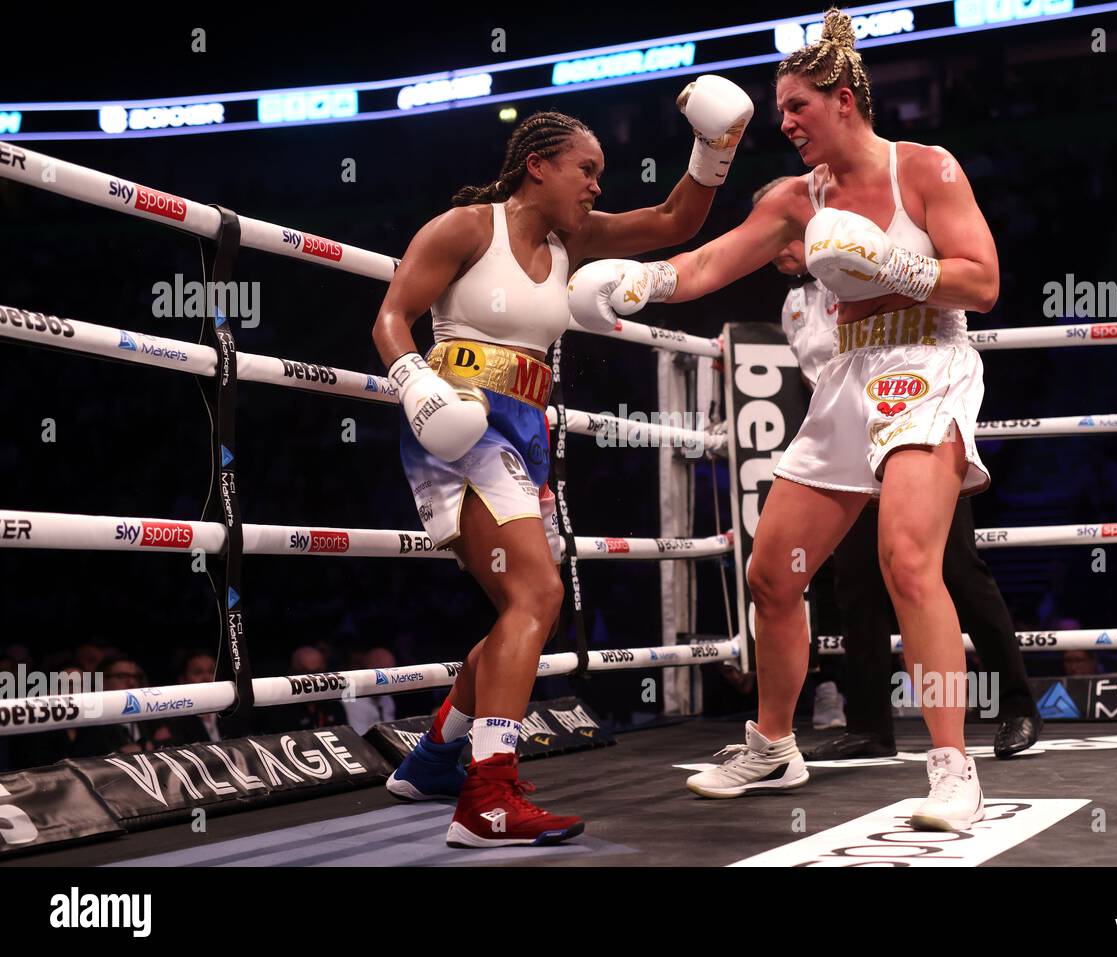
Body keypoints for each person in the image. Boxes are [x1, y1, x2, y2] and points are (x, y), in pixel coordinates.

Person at [570, 9, 998, 830]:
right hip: (846, 377)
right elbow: (705, 264)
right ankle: (772, 742)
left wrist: (894, 264)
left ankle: (952, 769)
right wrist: (640, 286)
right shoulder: (792, 199)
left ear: (843, 99)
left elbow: (981, 284)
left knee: (908, 560)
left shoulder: (928, 171)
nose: (786, 123)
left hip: (929, 362)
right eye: (781, 110)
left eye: (798, 106)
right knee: (772, 575)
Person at [374, 84, 754, 848]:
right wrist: (414, 383)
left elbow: (676, 220)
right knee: (538, 593)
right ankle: (487, 796)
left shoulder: (570, 245)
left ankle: (435, 755)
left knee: (526, 604)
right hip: (462, 418)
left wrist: (717, 147)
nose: (596, 184)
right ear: (538, 166)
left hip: (527, 431)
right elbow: (390, 317)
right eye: (586, 168)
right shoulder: (464, 226)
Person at [755, 176, 1041, 761]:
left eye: (787, 233)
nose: (779, 246)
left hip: (917, 411)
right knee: (856, 581)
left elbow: (964, 295)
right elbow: (823, 375)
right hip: (846, 434)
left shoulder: (874, 238)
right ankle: (870, 724)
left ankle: (1015, 706)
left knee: (952, 568)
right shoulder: (793, 306)